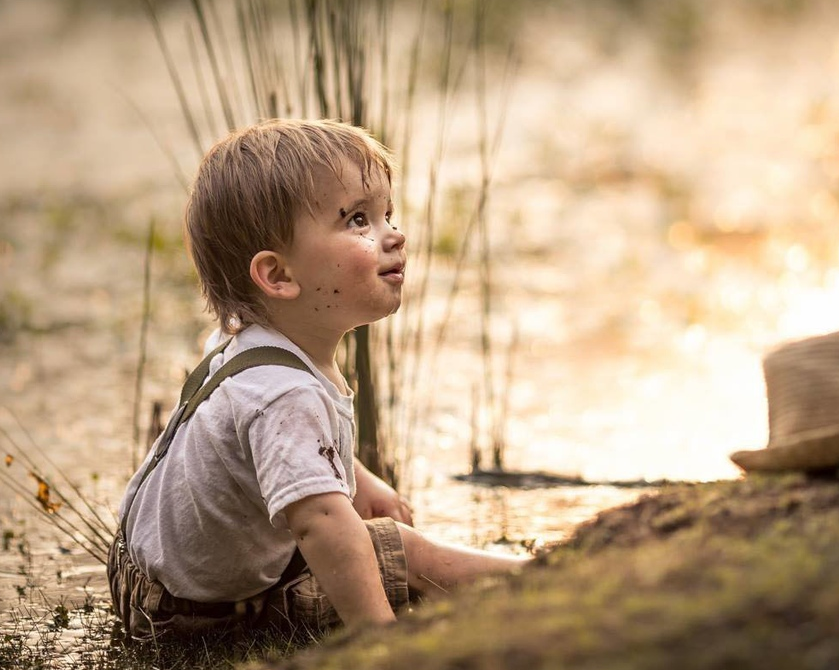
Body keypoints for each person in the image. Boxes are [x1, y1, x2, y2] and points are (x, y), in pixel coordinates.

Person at [108, 118, 528, 639]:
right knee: (399, 549)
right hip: (194, 616)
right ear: (279, 276)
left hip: (141, 577)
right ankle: (545, 582)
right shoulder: (285, 394)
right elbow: (320, 525)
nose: (393, 235)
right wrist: (375, 638)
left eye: (386, 215)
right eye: (357, 220)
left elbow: (272, 444)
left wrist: (361, 479)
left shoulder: (248, 343)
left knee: (374, 532)